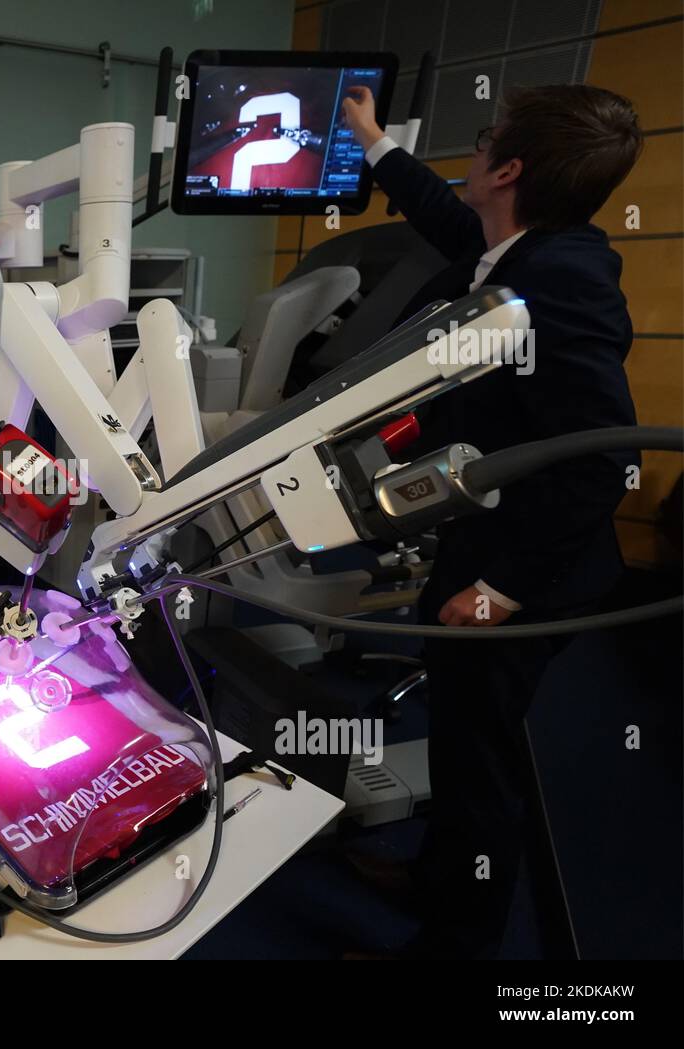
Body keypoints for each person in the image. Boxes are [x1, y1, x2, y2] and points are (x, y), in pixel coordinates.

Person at [340, 83, 644, 957]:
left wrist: (499, 592)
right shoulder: (528, 246)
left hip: (529, 571)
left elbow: (600, 460)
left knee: (484, 766)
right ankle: (441, 876)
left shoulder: (559, 288)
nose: (471, 158)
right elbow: (448, 214)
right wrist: (371, 139)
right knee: (460, 731)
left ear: (507, 170)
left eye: (482, 143)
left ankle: (455, 946)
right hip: (490, 537)